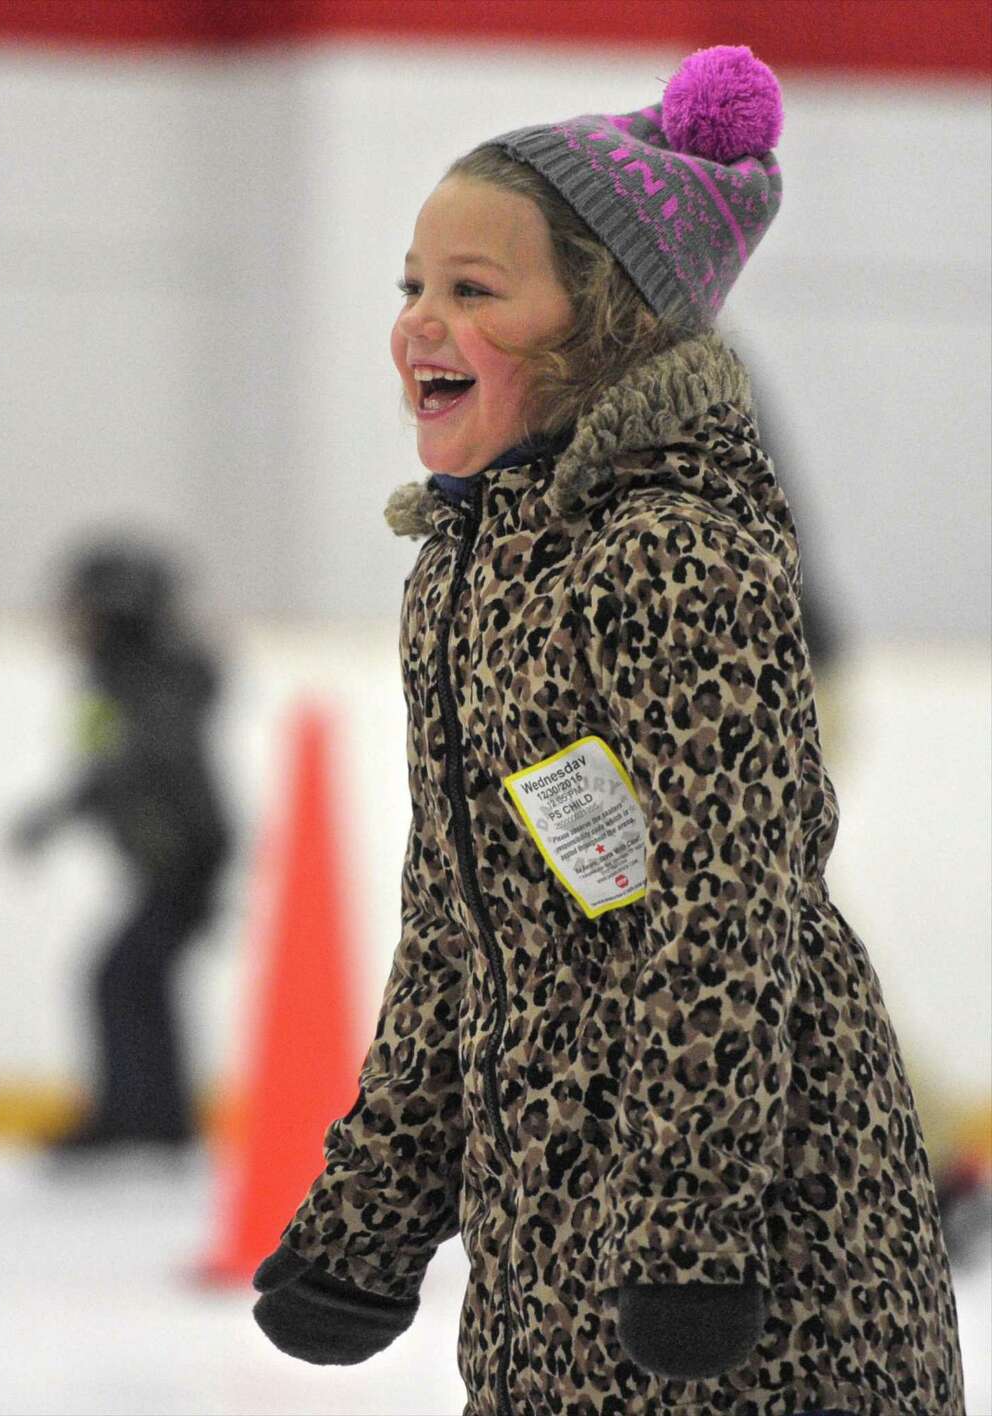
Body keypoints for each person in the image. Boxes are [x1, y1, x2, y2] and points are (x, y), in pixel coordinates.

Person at [249, 45, 966, 1416]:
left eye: (472, 291)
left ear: (604, 327)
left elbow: (721, 914)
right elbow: (453, 914)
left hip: (756, 1231)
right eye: (411, 285)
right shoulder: (469, 573)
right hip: (557, 1207)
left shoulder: (678, 558)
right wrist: (371, 1224)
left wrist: (691, 1235)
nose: (417, 325)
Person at [10, 538, 231, 1159]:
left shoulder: (152, 677)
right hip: (173, 856)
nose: (71, 622)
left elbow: (132, 757)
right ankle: (154, 1118)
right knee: (133, 975)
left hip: (185, 858)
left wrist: (63, 812)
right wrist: (59, 814)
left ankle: (138, 1117)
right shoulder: (122, 678)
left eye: (84, 609)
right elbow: (105, 764)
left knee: (121, 973)